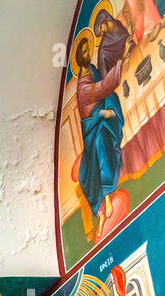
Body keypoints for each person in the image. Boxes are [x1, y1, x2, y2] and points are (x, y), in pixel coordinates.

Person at [74, 32, 125, 238]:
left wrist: (107, 112)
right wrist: (119, 65)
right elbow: (102, 89)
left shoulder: (93, 71)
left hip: (100, 122)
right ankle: (105, 201)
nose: (88, 54)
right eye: (85, 52)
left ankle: (106, 200)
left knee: (103, 138)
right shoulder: (83, 86)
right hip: (91, 129)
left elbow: (104, 93)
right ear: (80, 58)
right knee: (98, 146)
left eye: (88, 50)